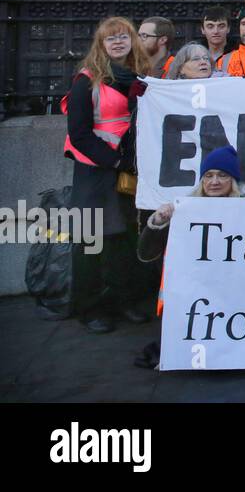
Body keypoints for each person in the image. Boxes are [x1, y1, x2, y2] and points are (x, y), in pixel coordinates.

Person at [60, 17, 153, 333]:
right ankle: (89, 308)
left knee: (124, 239)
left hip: (131, 167)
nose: (117, 42)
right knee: (92, 242)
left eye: (123, 37)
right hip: (96, 170)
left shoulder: (141, 76)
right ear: (100, 45)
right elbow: (79, 132)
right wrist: (114, 161)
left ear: (131, 41)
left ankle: (123, 302)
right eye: (110, 38)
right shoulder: (86, 81)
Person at [135, 145, 245, 369]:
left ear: (234, 181)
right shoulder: (183, 212)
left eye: (222, 175)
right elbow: (146, 254)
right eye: (208, 176)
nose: (214, 181)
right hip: (193, 300)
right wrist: (158, 222)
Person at [200, 7, 233, 74]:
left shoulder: (238, 55)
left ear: (228, 28)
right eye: (210, 26)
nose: (216, 31)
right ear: (202, 30)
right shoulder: (194, 56)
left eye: (221, 26)